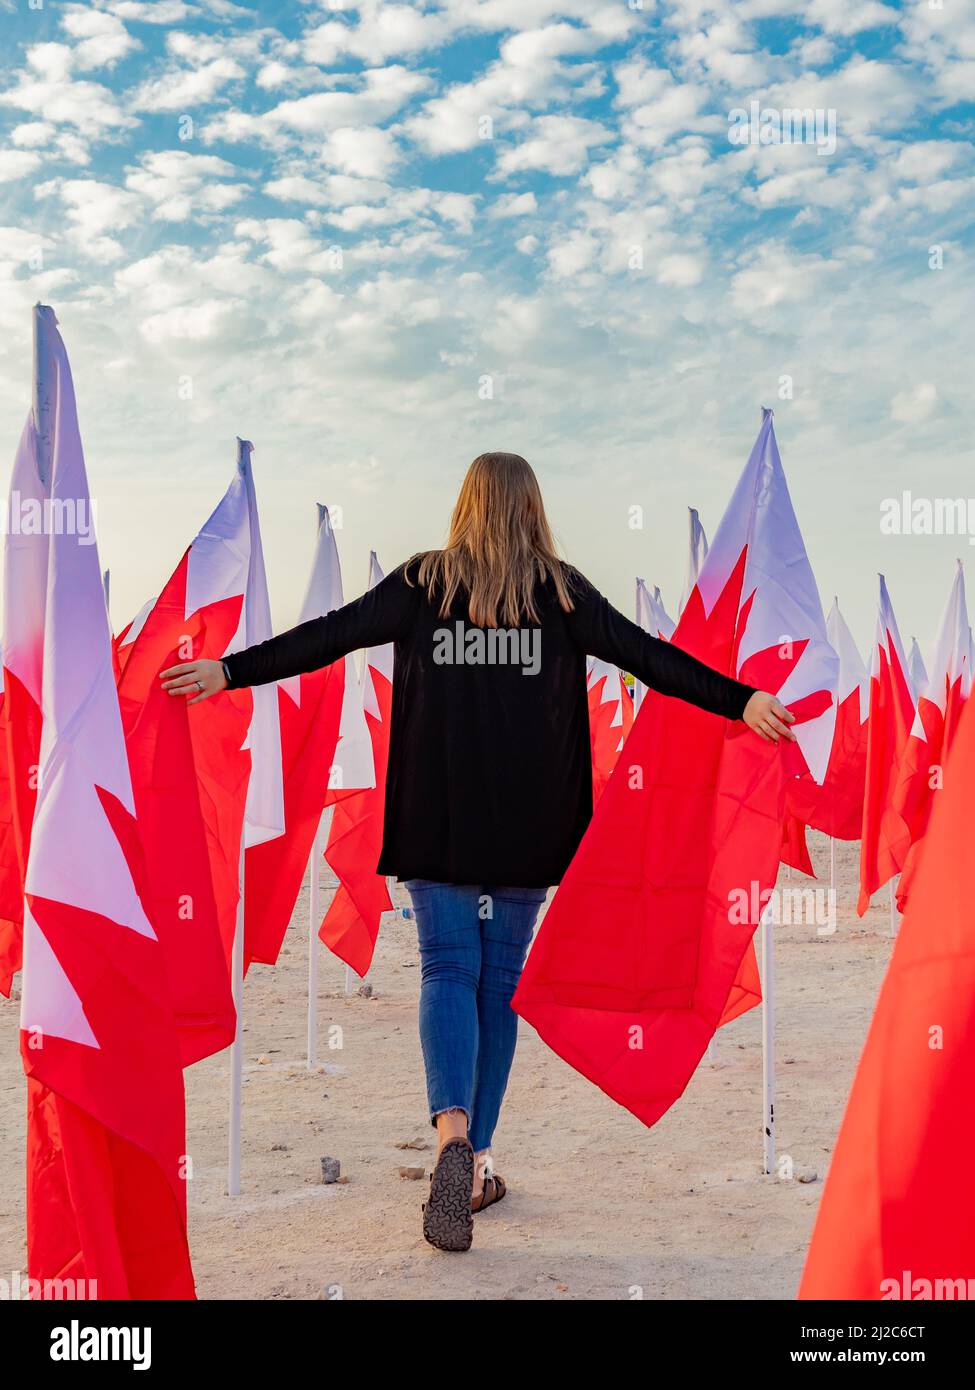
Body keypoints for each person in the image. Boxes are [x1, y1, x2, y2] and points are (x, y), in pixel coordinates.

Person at [161, 451, 795, 1253]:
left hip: (439, 818)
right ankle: (480, 1159)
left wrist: (229, 670)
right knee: (497, 985)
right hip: (531, 826)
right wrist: (742, 699)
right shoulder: (561, 592)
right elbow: (650, 658)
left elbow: (329, 637)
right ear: (531, 508)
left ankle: (450, 1136)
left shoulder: (423, 583)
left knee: (445, 970)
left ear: (463, 505)